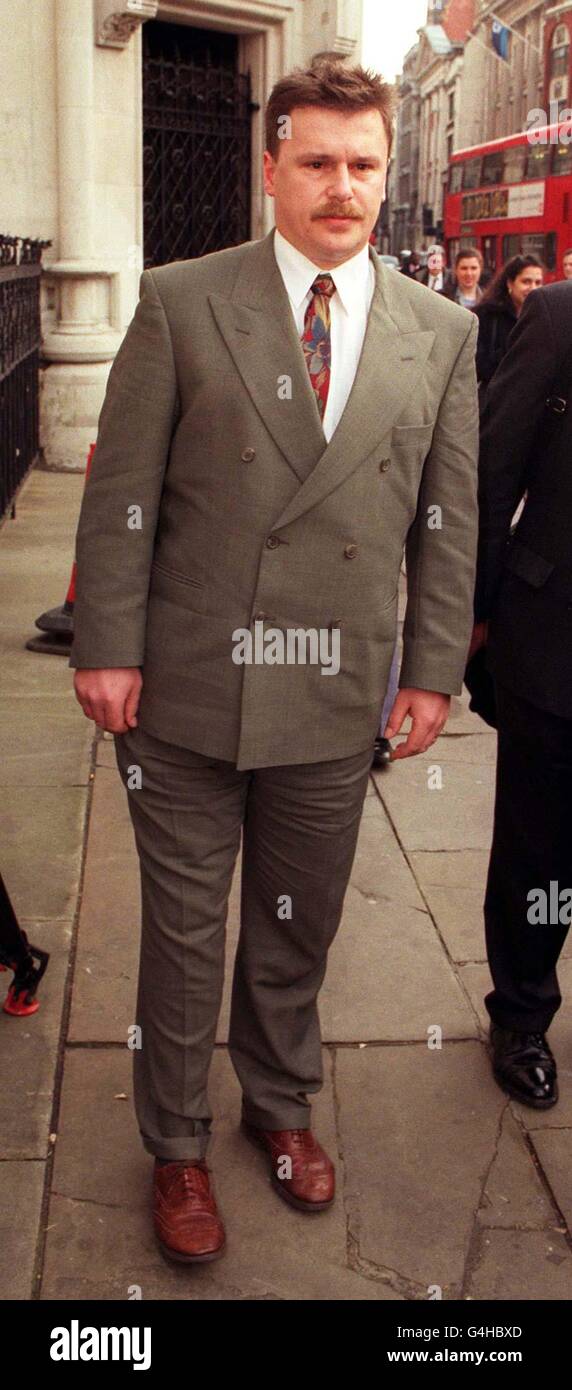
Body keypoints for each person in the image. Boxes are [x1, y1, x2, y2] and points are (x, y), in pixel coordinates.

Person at [70, 59, 479, 1265]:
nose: (340, 188)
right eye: (315, 162)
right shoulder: (182, 300)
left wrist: (430, 671)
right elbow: (122, 492)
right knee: (186, 932)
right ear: (269, 168)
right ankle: (178, 1144)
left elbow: (443, 518)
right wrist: (105, 642)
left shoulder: (439, 330)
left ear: (382, 169)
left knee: (294, 926)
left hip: (334, 690)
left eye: (362, 165)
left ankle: (282, 1109)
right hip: (187, 684)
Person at [469, 280, 572, 1110]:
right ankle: (523, 1014)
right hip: (556, 636)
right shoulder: (558, 317)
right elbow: (491, 473)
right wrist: (471, 617)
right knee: (541, 844)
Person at [474, 254, 543, 388]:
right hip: (498, 397)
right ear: (510, 283)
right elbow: (478, 364)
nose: (533, 288)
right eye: (526, 282)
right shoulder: (488, 315)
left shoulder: (546, 317)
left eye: (538, 282)